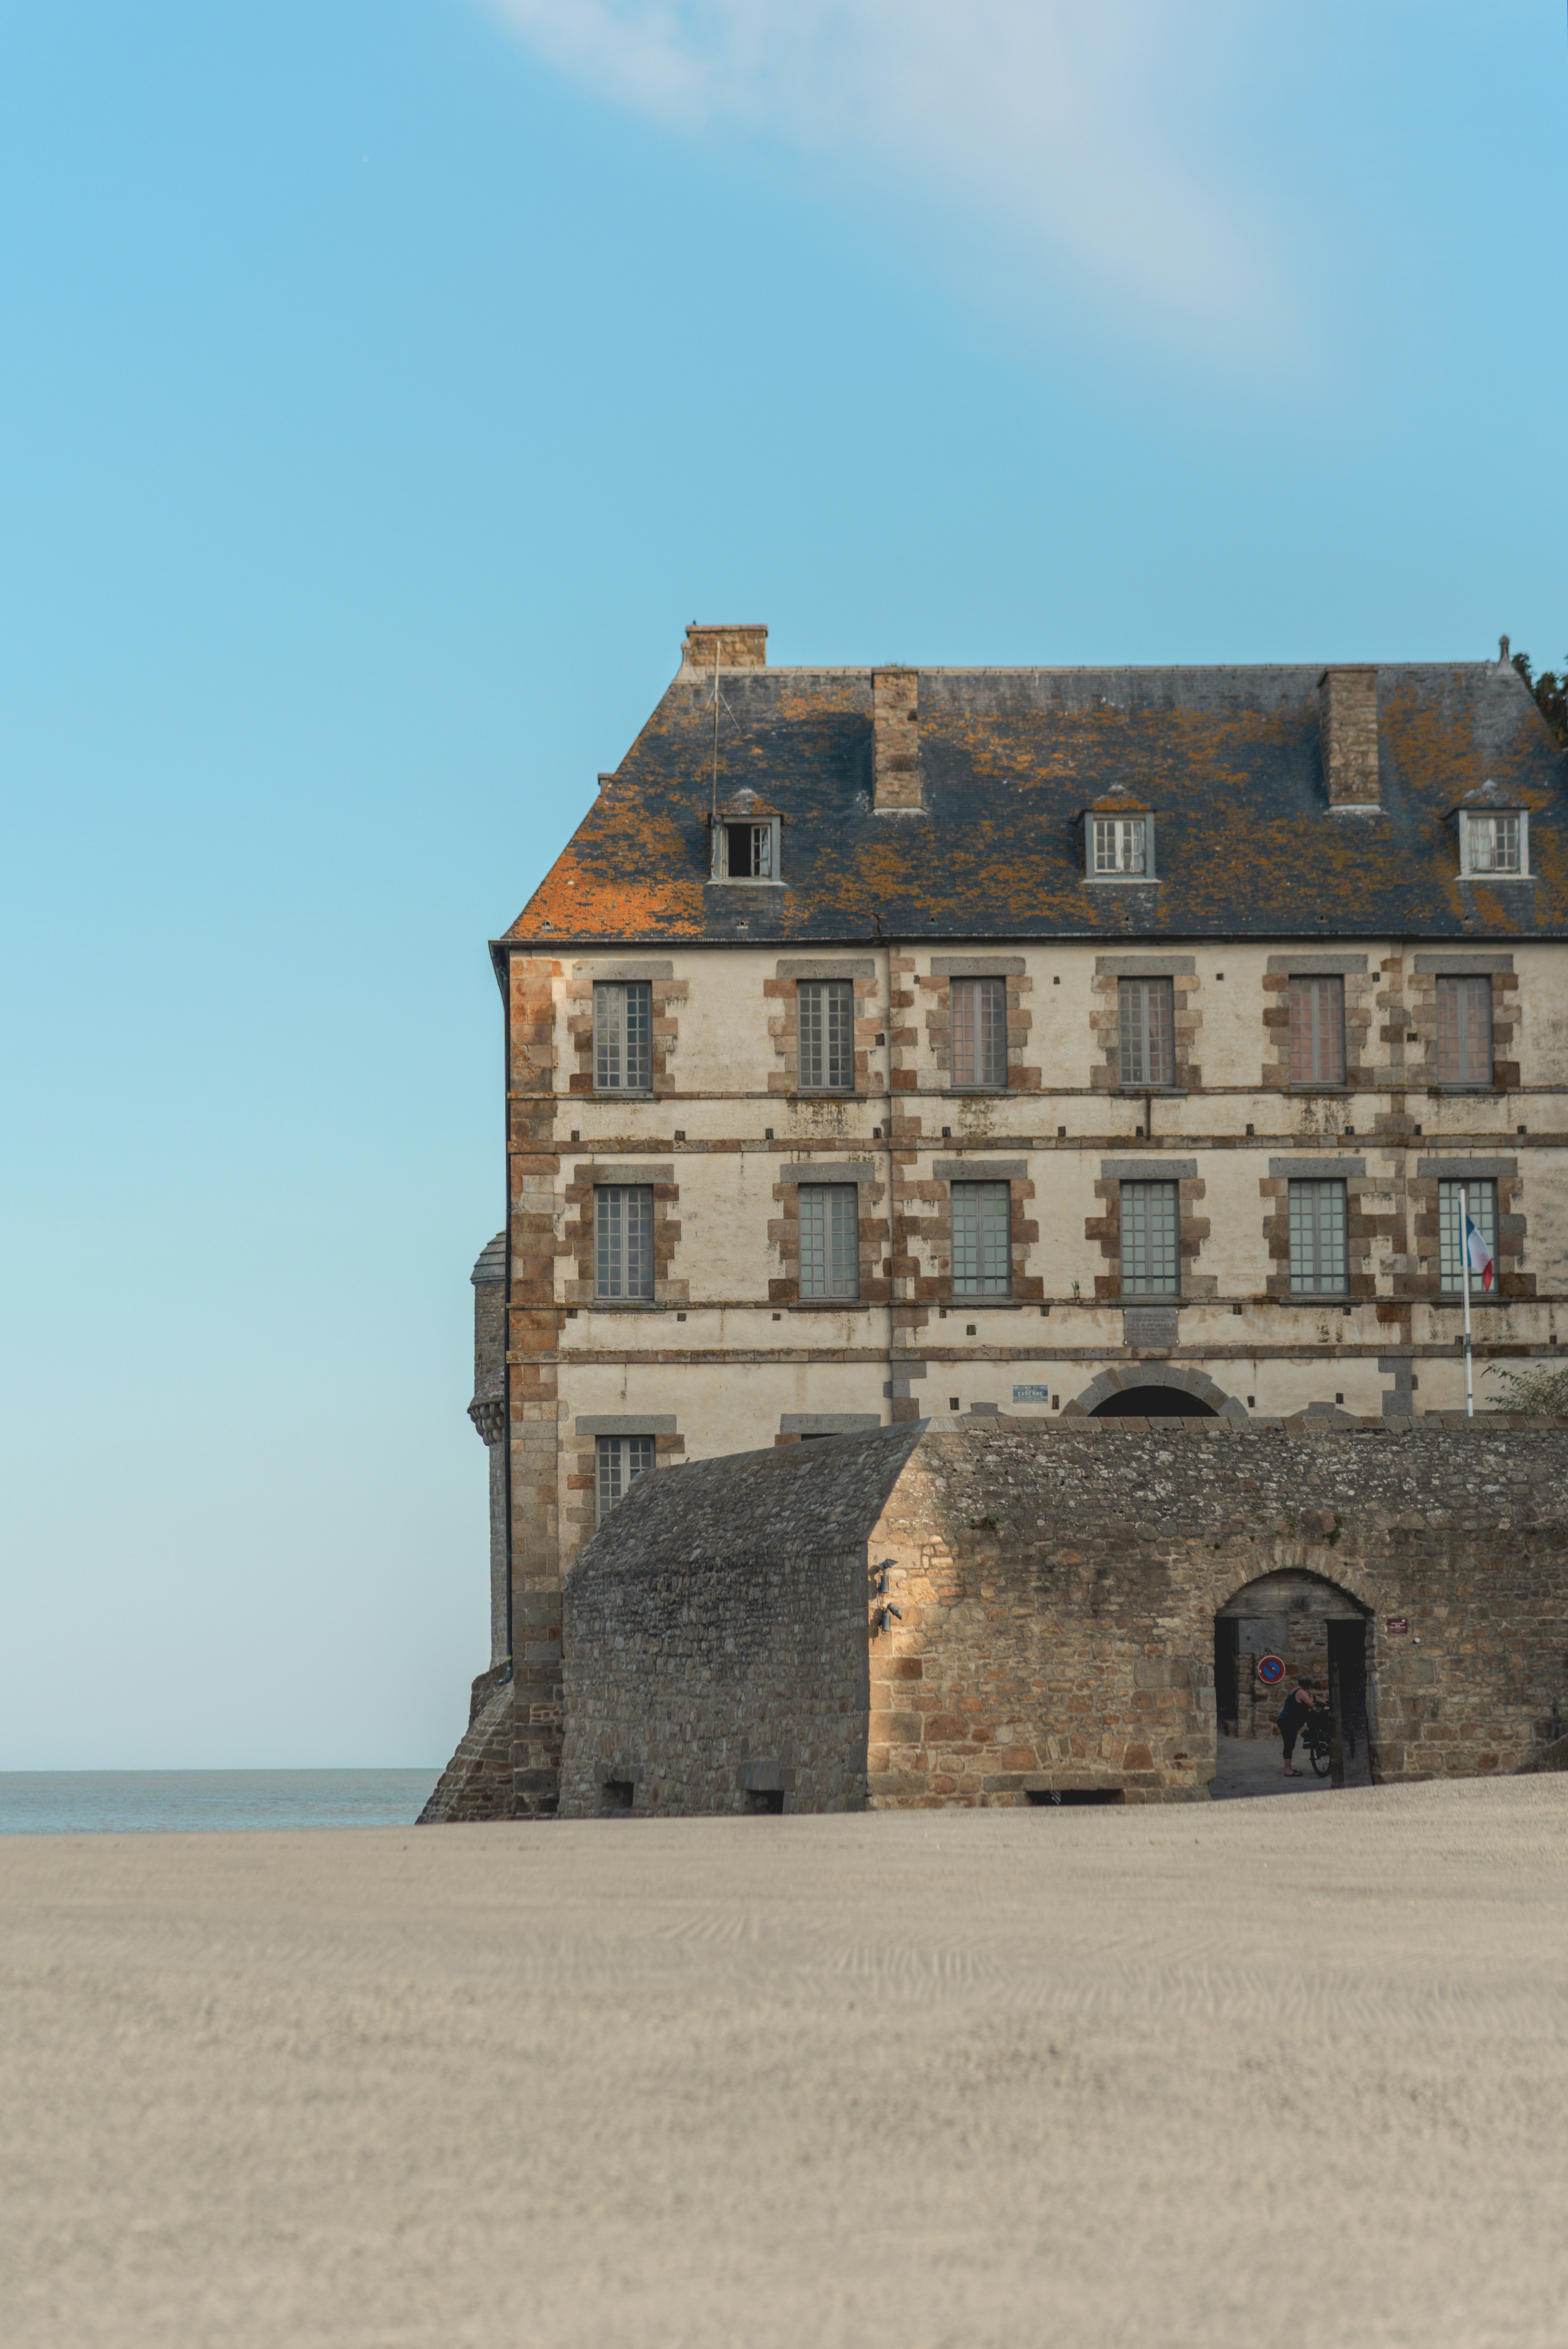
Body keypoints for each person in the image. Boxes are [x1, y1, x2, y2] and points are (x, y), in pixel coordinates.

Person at [1276, 1677, 1316, 1776]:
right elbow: (1311, 1705)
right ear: (1307, 1685)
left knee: (1289, 1745)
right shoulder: (1301, 1692)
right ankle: (1288, 1771)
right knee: (1289, 1745)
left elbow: (1307, 1700)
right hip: (1289, 1722)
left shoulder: (1295, 1690)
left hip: (1285, 1720)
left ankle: (1289, 1768)